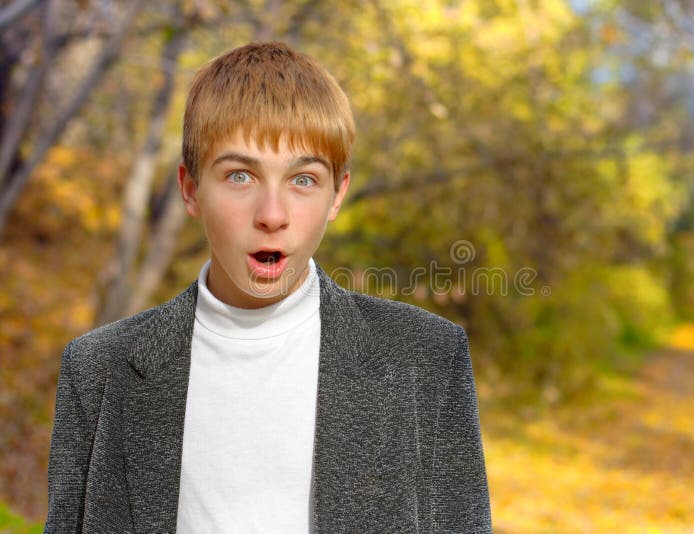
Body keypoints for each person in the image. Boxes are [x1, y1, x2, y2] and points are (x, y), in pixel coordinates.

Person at [45, 41, 491, 533]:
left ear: (337, 194)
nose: (272, 215)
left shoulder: (425, 358)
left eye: (303, 180)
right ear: (191, 188)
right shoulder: (98, 371)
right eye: (240, 176)